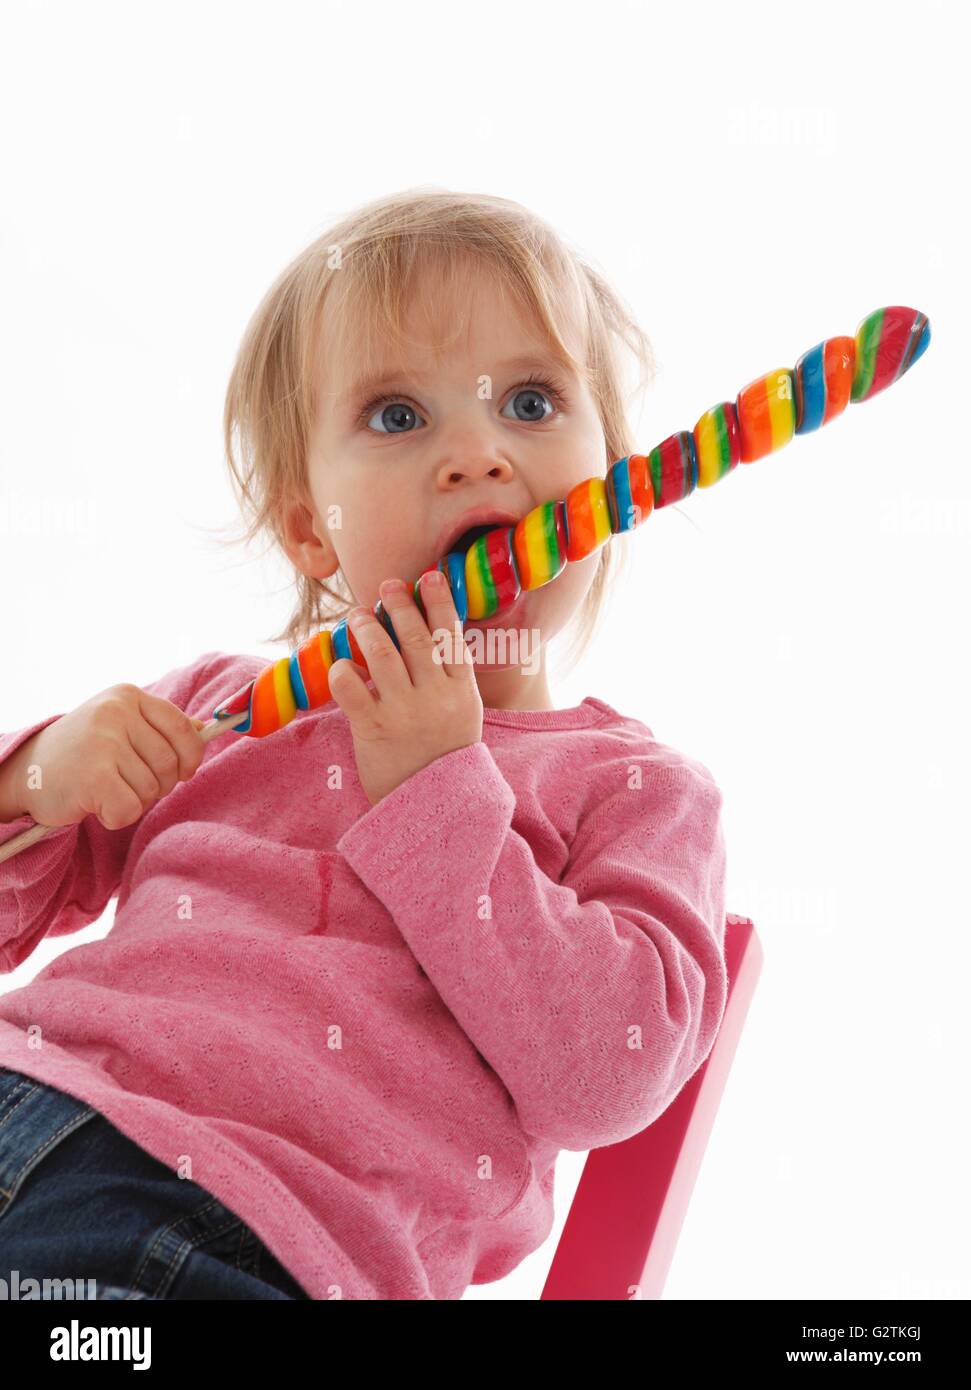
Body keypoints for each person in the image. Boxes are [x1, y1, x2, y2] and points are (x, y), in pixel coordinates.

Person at [0, 187, 728, 1300]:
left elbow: (607, 1074)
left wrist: (439, 787)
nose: (478, 453)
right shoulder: (228, 707)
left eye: (531, 402)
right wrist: (39, 777)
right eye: (398, 417)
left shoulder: (629, 789)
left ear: (615, 476)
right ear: (309, 527)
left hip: (241, 1238)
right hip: (27, 1091)